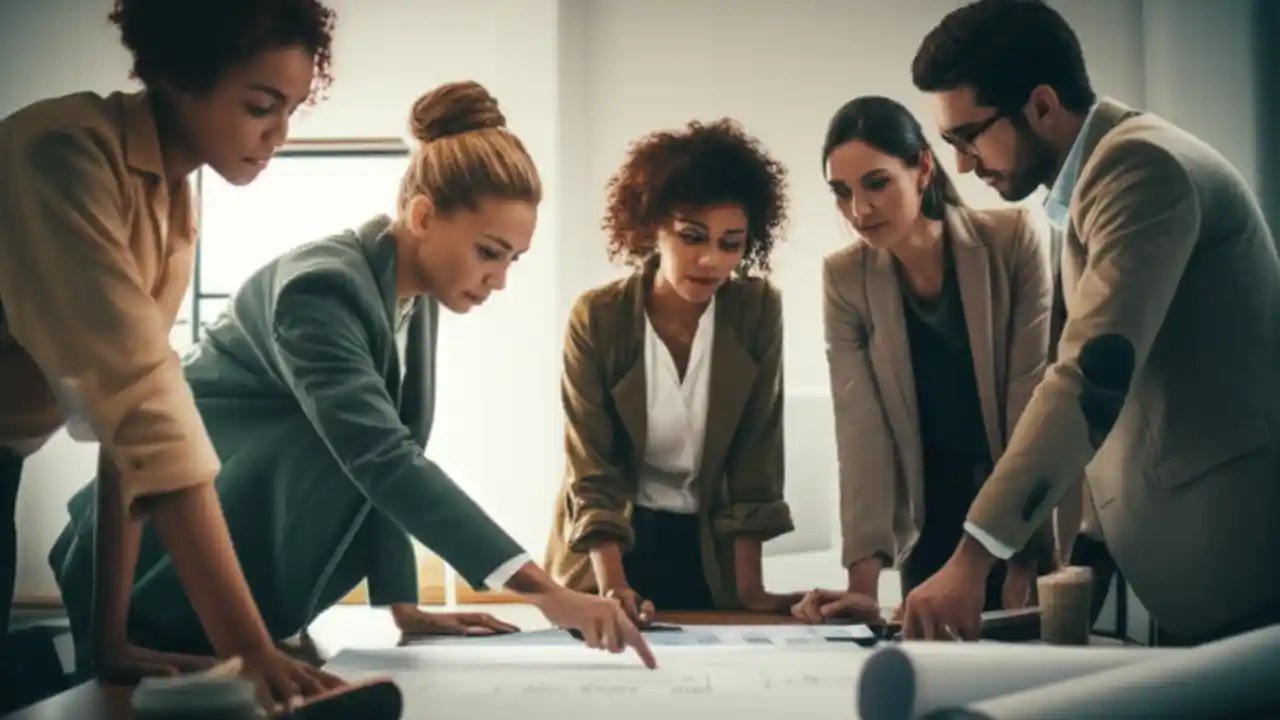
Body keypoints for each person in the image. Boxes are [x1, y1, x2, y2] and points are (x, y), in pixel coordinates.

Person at [51, 80, 656, 671]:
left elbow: (392, 450)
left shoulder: (411, 300)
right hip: (149, 568)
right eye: (489, 252)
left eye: (512, 260)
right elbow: (381, 459)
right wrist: (545, 591)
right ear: (422, 215)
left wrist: (404, 607)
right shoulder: (321, 289)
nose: (499, 280)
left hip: (234, 579)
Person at [902, 0, 1280, 644]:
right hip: (1192, 564)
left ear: (1043, 105)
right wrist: (1087, 552)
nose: (963, 165)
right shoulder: (1097, 178)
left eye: (969, 135)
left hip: (1240, 560)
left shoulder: (1139, 170)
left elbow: (1091, 377)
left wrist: (972, 559)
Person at [0, 0, 342, 705]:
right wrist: (245, 647)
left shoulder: (173, 205)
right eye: (259, 106)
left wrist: (110, 638)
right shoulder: (60, 151)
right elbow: (143, 404)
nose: (277, 133)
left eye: (291, 110)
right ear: (184, 73)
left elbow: (130, 441)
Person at [791, 96, 1057, 626]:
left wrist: (1024, 551)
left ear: (923, 168)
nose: (858, 210)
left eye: (877, 182)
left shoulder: (1012, 242)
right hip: (931, 521)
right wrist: (862, 587)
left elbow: (1034, 403)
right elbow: (860, 432)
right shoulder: (846, 279)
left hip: (1027, 507)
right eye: (841, 193)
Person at [544, 119, 802, 624]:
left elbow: (756, 457)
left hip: (708, 550)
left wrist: (752, 590)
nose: (711, 259)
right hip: (607, 553)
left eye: (732, 244)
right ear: (652, 227)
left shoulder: (756, 312)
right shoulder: (598, 318)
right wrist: (613, 587)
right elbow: (592, 469)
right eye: (692, 237)